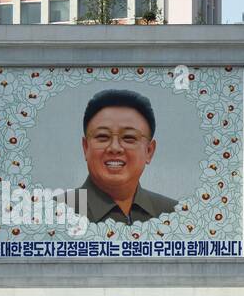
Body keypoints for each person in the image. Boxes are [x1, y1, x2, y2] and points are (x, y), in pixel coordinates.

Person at [67, 89, 178, 225]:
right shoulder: (55, 213)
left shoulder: (174, 215)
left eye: (129, 137)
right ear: (86, 147)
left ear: (149, 151)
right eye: (103, 137)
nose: (115, 148)